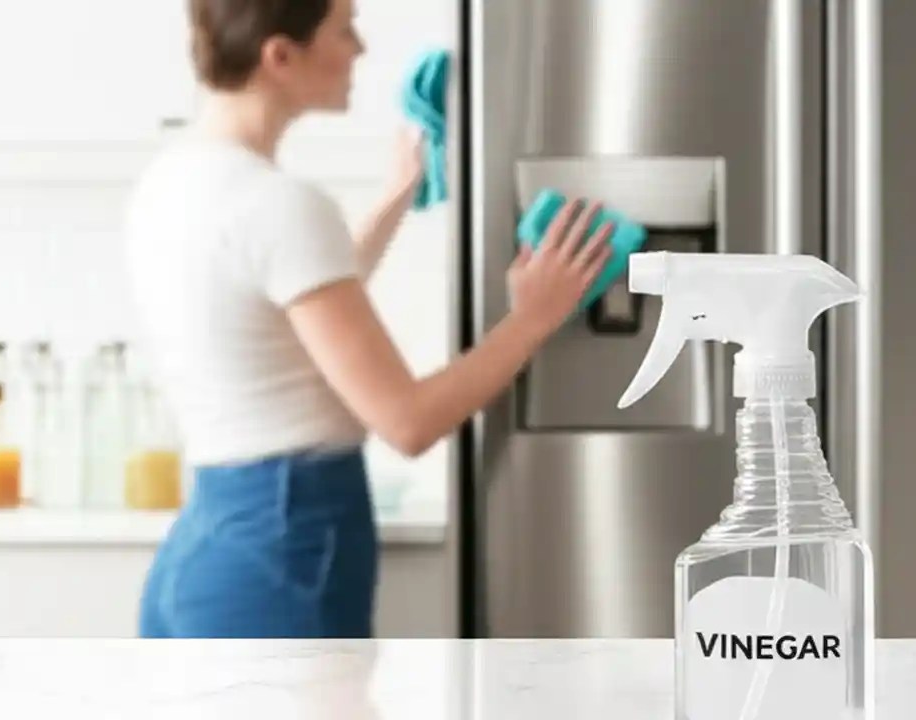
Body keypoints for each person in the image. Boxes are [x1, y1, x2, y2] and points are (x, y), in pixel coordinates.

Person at [126, 0, 612, 638]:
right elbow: (407, 421)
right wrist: (532, 319)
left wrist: (396, 194)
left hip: (205, 552)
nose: (360, 49)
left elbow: (296, 300)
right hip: (284, 552)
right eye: (343, 30)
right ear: (279, 55)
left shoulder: (175, 180)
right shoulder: (280, 204)